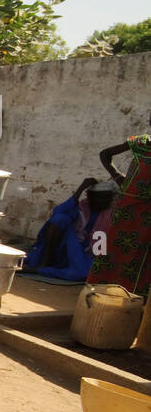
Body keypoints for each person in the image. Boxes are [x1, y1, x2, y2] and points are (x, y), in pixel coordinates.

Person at [88, 124, 151, 294]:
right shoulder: (140, 144)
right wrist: (117, 176)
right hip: (128, 211)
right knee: (115, 250)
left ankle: (135, 296)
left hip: (147, 215)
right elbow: (105, 154)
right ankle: (100, 290)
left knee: (143, 257)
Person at [23, 178, 116, 281]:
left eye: (106, 198)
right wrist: (80, 189)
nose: (102, 201)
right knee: (60, 219)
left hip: (85, 254)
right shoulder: (81, 208)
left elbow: (100, 247)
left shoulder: (111, 215)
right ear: (90, 197)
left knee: (82, 274)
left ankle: (40, 270)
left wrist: (96, 263)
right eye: (99, 197)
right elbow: (58, 212)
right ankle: (44, 262)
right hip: (66, 248)